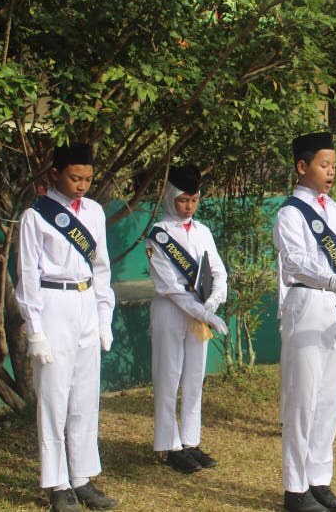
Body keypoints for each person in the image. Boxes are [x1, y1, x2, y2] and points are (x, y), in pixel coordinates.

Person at [274, 132, 336, 512]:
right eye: (323, 164)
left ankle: (320, 480)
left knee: (330, 400)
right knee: (303, 401)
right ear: (302, 167)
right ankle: (295, 489)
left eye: (334, 165)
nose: (331, 171)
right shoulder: (290, 213)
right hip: (307, 306)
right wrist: (334, 279)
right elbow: (296, 263)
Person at [15, 142, 117, 512]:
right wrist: (35, 329)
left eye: (88, 178)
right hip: (53, 302)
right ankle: (57, 483)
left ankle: (83, 477)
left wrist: (105, 317)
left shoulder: (94, 212)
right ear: (55, 174)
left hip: (86, 302)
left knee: (85, 398)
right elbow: (27, 276)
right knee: (54, 398)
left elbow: (102, 267)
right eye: (75, 177)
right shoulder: (36, 216)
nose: (82, 185)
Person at [145, 164, 229, 473]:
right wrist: (203, 311)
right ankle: (169, 445)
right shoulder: (159, 235)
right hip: (172, 309)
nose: (188, 206)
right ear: (170, 197)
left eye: (193, 200)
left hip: (201, 308)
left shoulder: (203, 231)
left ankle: (191, 440)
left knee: (195, 377)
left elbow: (219, 272)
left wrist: (214, 300)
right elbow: (169, 286)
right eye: (182, 200)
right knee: (168, 376)